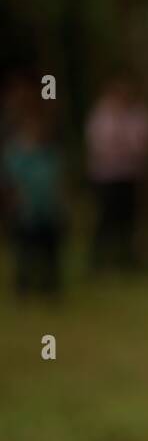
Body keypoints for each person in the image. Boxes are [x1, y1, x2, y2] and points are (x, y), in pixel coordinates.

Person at [85, 77, 148, 272]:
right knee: (105, 219)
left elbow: (144, 142)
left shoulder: (139, 115)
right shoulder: (101, 114)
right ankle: (98, 261)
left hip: (131, 175)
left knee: (129, 221)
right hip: (106, 176)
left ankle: (126, 260)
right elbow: (100, 144)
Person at [2, 104, 64, 297]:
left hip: (47, 210)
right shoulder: (15, 155)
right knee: (25, 251)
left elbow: (57, 181)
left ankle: (49, 286)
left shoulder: (49, 154)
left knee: (49, 251)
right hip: (25, 210)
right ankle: (24, 286)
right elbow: (9, 183)